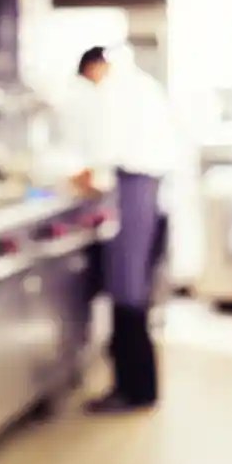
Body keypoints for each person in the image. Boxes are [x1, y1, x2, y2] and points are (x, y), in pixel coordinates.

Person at [63, 45, 176, 414]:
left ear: (95, 67)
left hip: (134, 190)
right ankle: (135, 387)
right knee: (131, 291)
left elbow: (104, 150)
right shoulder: (140, 86)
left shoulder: (119, 90)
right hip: (144, 190)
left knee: (127, 293)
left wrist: (84, 176)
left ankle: (134, 390)